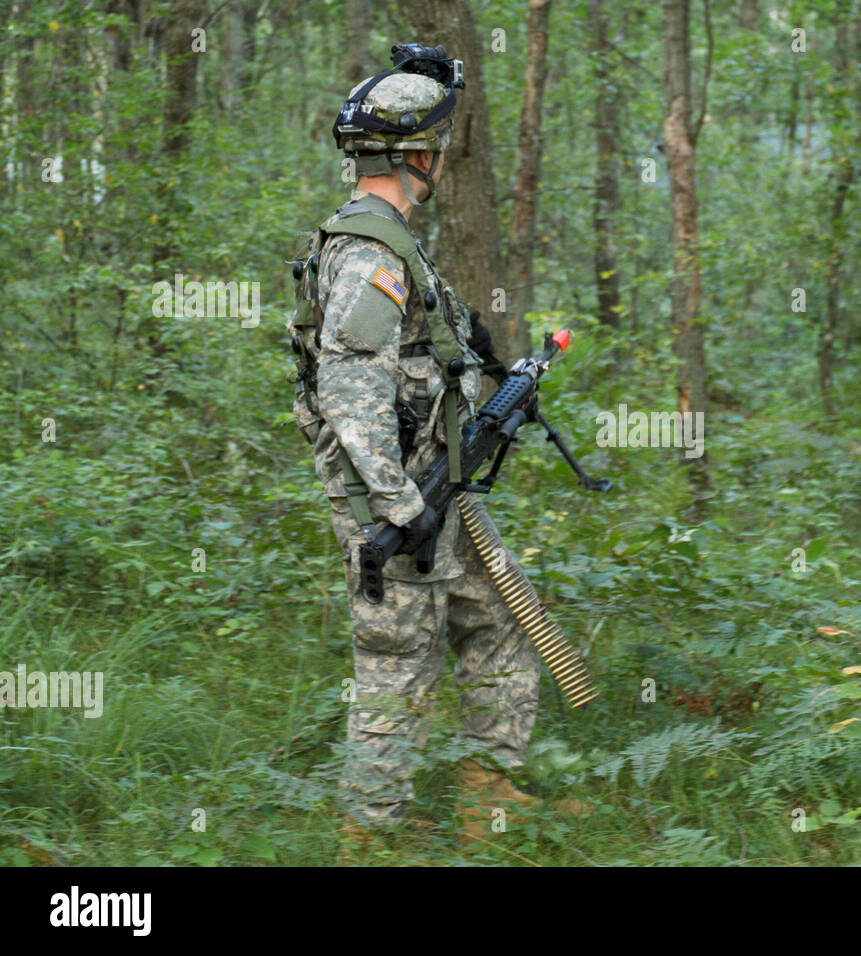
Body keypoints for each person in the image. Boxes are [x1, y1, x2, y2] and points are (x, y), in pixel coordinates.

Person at [288, 52, 565, 856]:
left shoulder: (394, 244)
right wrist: (398, 507)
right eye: (436, 145)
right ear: (414, 155)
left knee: (504, 618)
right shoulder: (371, 255)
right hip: (400, 500)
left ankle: (490, 796)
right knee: (396, 660)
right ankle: (369, 835)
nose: (442, 160)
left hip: (436, 484)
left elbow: (418, 359)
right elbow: (348, 390)